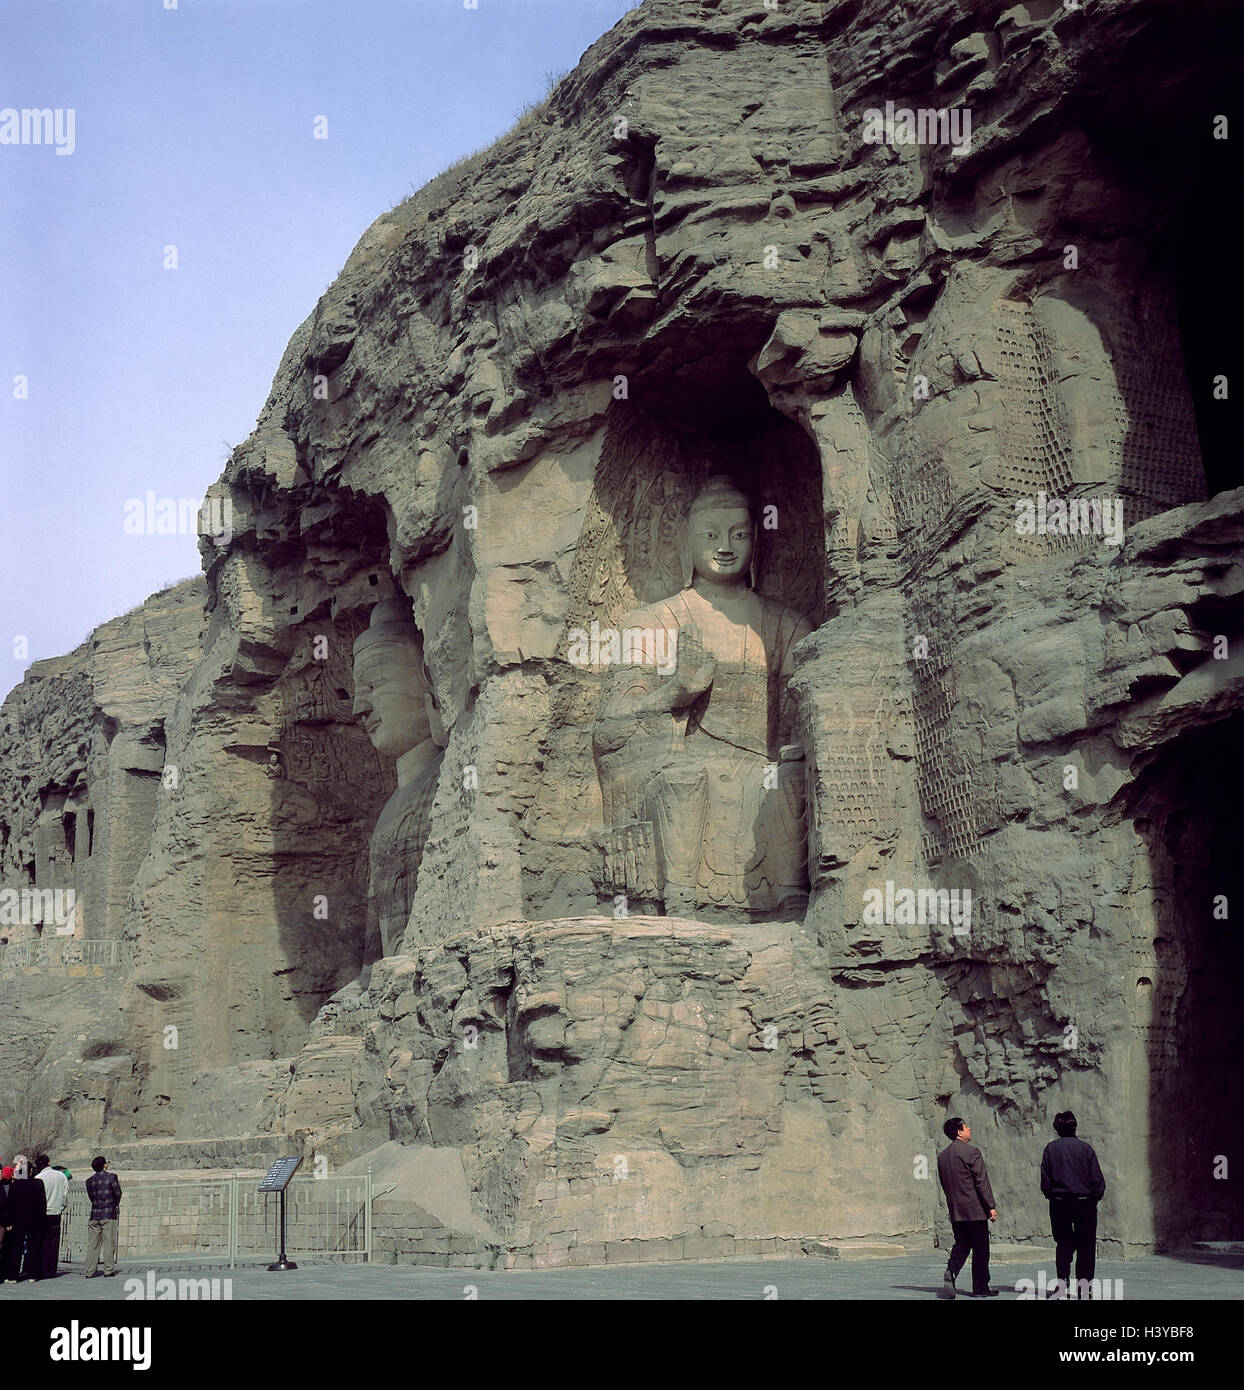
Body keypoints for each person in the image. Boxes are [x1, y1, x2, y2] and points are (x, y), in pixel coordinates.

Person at [1040, 1110, 1106, 1298]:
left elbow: (1045, 1181)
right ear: (1074, 1126)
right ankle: (1084, 1289)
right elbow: (1097, 1181)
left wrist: (1052, 1195)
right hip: (1084, 1204)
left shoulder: (1050, 1149)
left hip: (1059, 1203)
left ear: (1057, 1128)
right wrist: (1094, 1198)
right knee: (1086, 1247)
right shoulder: (1086, 1149)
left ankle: (1062, 1282)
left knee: (1063, 1244)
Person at [937, 1117, 999, 1298]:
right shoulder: (972, 1152)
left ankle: (952, 1270)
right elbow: (981, 1181)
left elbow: (945, 1185)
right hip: (975, 1209)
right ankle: (980, 1288)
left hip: (956, 1209)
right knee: (981, 1249)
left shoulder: (942, 1157)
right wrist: (991, 1206)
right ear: (959, 1132)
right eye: (966, 1126)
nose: (969, 1128)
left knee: (962, 1244)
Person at [5, 1154, 48, 1282]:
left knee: (16, 1248)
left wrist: (10, 1222)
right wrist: (42, 1219)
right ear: (30, 1171)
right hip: (35, 1220)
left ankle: (13, 1276)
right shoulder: (38, 1184)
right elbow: (42, 1204)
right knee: (34, 1247)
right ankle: (32, 1274)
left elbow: (10, 1205)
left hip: (18, 1221)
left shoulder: (15, 1185)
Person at [84, 1155, 122, 1278]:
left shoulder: (89, 1181)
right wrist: (114, 1205)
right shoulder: (112, 1177)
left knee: (93, 1245)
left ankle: (90, 1270)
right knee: (108, 1243)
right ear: (104, 1165)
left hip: (94, 1215)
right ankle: (108, 1269)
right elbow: (118, 1193)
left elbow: (91, 1197)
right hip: (108, 1214)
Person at [34, 1153, 69, 1278]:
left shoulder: (39, 1177)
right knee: (54, 1242)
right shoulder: (61, 1176)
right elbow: (65, 1195)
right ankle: (51, 1270)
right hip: (56, 1212)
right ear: (49, 1163)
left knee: (43, 1241)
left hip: (43, 1213)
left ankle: (43, 1269)